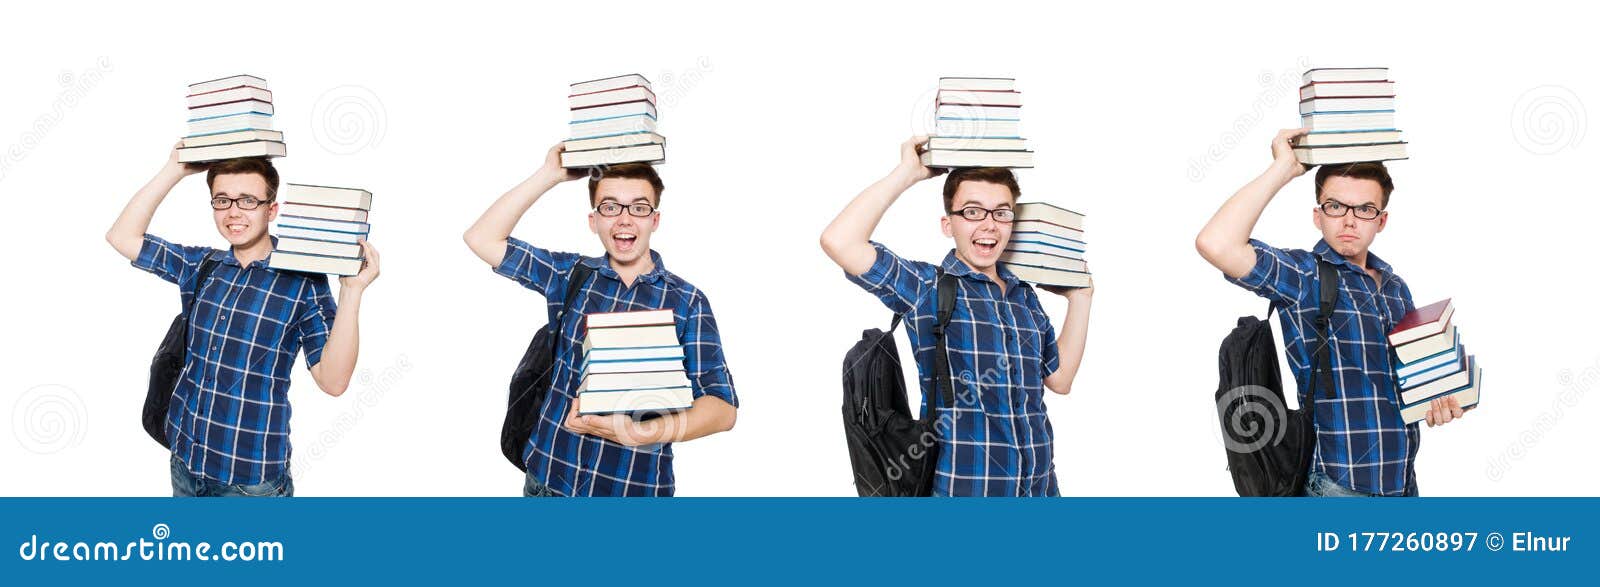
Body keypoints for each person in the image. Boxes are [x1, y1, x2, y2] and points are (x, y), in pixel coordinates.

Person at [1195, 128, 1465, 497]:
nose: (1349, 220)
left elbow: (1409, 380)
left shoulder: (1395, 287)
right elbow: (1216, 243)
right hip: (1338, 490)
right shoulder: (1304, 276)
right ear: (1318, 216)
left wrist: (1439, 399)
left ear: (1381, 220)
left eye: (1365, 209)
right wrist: (1283, 169)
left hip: (1404, 485)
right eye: (1336, 206)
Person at [820, 136, 1092, 496]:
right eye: (973, 212)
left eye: (1001, 212)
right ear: (949, 225)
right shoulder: (928, 289)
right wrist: (907, 173)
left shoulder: (1024, 297)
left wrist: (1081, 298)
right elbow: (840, 241)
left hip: (1040, 492)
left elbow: (1060, 380)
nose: (989, 224)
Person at [464, 145, 738, 497]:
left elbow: (722, 408)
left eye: (639, 207)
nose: (624, 219)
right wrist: (549, 175)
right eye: (610, 207)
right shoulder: (569, 275)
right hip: (546, 483)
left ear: (654, 220)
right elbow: (482, 237)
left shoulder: (688, 302)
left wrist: (640, 432)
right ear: (594, 221)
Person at [106, 145, 379, 497]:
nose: (234, 212)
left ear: (271, 209)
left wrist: (352, 292)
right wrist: (173, 170)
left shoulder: (303, 282)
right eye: (223, 200)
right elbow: (122, 237)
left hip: (249, 483)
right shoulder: (202, 266)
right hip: (185, 461)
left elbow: (333, 380)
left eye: (248, 200)